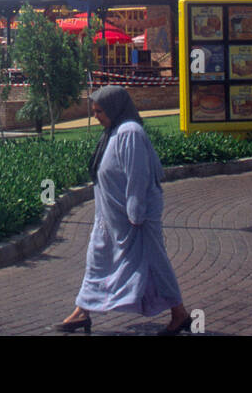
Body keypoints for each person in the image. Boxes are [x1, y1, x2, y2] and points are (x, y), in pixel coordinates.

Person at [59, 86, 192, 335]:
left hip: (134, 219)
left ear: (114, 109)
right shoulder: (113, 131)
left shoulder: (129, 132)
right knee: (97, 260)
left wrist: (135, 214)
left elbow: (137, 176)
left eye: (100, 111)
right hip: (110, 218)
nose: (96, 116)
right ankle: (82, 310)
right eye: (94, 111)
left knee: (154, 262)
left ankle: (179, 313)